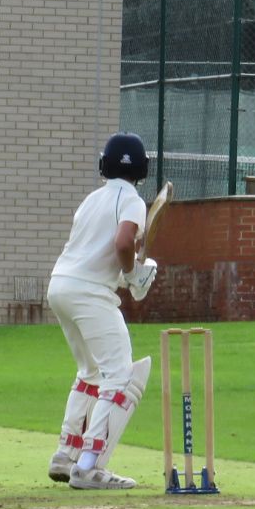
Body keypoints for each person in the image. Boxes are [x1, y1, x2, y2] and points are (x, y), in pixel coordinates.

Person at [44, 132, 160, 490]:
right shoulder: (133, 200)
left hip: (61, 286)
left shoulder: (92, 200)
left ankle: (66, 455)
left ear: (104, 165)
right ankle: (90, 466)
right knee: (120, 376)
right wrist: (133, 275)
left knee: (90, 372)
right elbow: (123, 242)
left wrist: (128, 276)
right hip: (89, 295)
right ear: (141, 169)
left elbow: (99, 251)